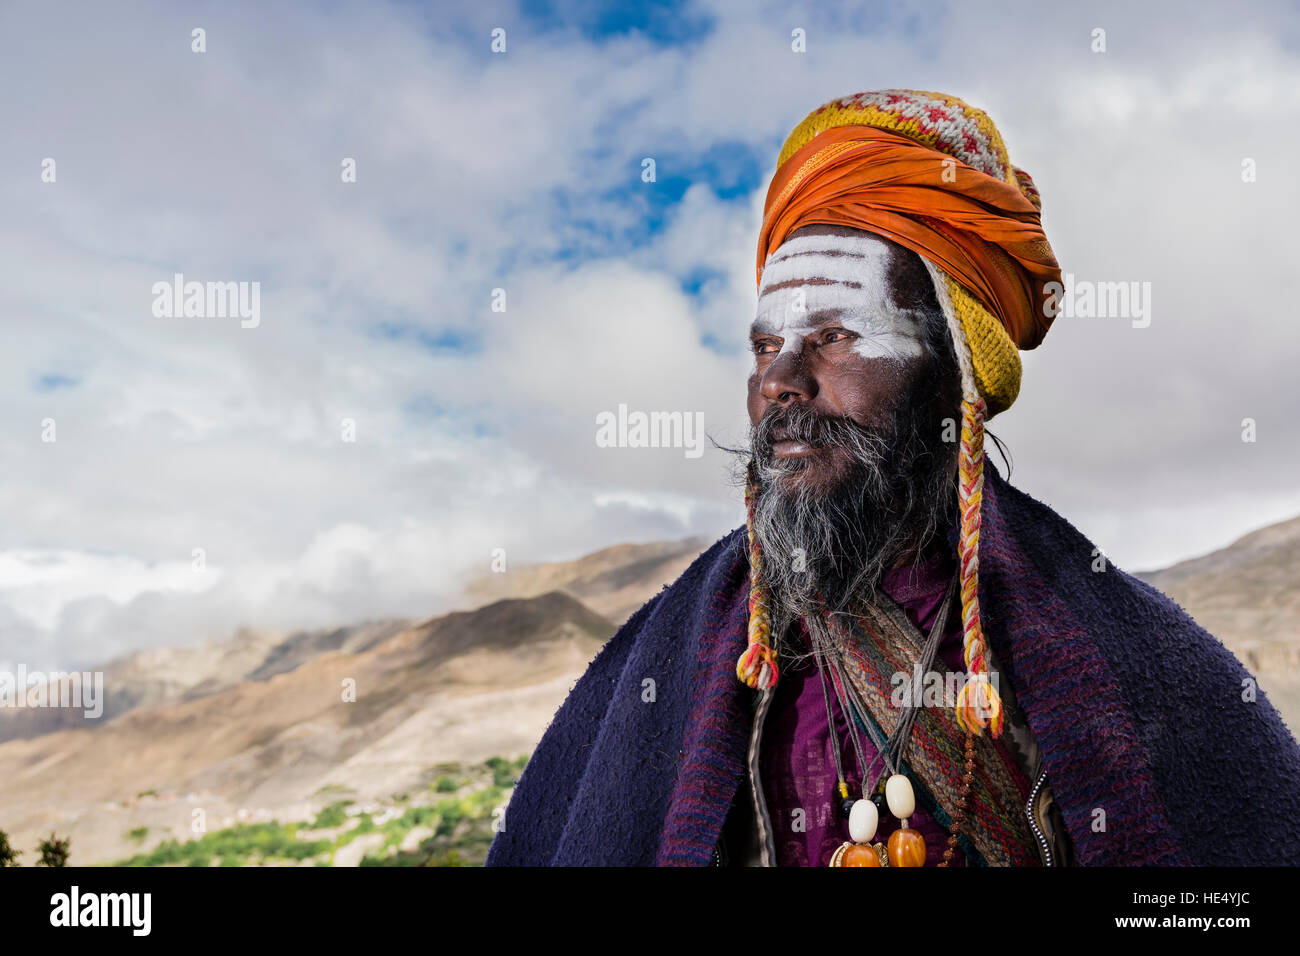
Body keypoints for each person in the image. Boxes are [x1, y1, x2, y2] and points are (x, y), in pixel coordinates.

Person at [485, 89, 1300, 866]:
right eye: (765, 347)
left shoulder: (1126, 653)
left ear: (953, 374)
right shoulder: (673, 653)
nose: (780, 383)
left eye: (835, 337)